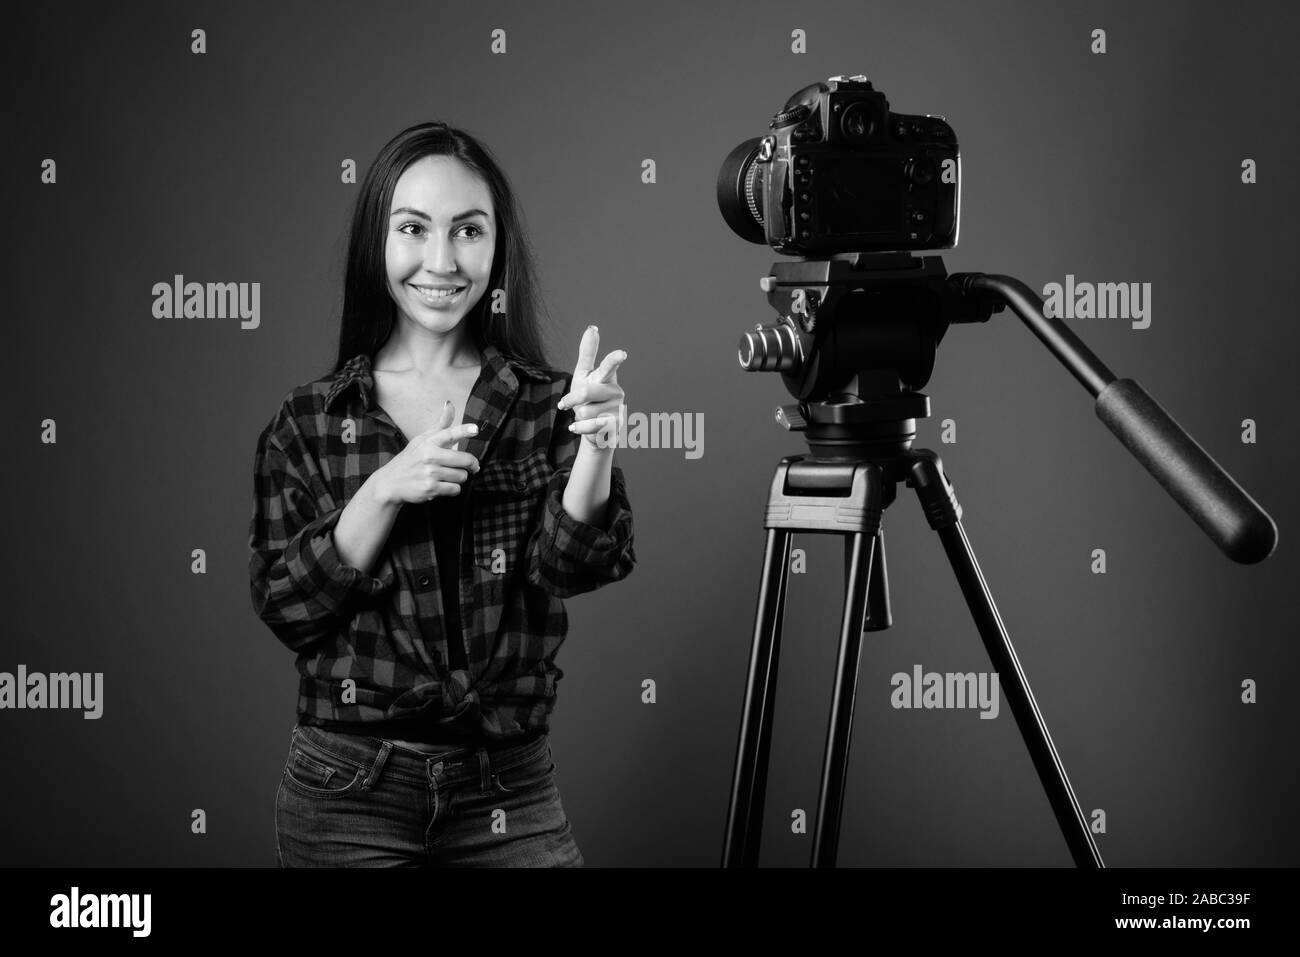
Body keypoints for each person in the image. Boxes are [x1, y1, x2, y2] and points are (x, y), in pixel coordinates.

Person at [248, 121, 636, 867]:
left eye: (467, 231)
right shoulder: (309, 420)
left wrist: (596, 441)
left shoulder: (543, 402)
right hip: (348, 789)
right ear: (378, 244)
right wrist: (385, 490)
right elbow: (287, 607)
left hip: (508, 787)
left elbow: (567, 568)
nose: (441, 260)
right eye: (413, 229)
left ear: (496, 250)